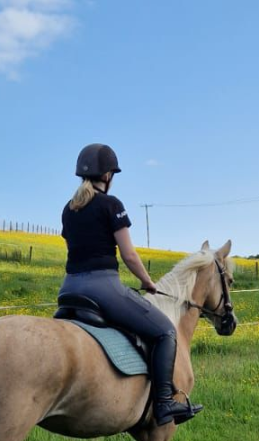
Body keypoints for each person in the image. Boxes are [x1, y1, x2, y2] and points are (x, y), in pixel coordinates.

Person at [59, 143, 202, 426]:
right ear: (108, 175)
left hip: (69, 290)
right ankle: (164, 402)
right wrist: (147, 282)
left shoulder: (69, 208)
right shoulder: (111, 205)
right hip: (103, 288)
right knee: (165, 331)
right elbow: (129, 255)